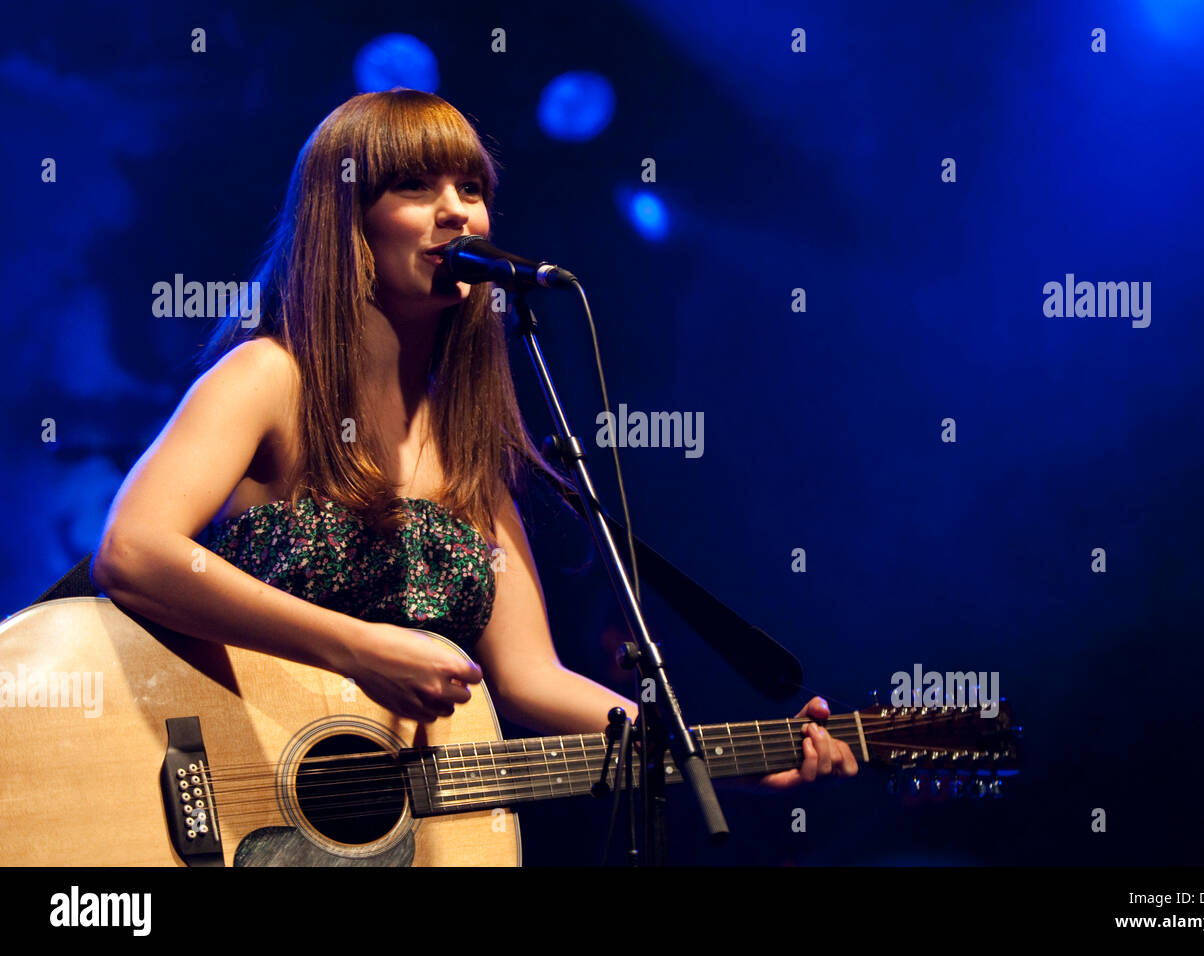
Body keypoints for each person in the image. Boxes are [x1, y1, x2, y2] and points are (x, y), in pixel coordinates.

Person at [91, 88, 856, 792]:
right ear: (347, 220)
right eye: (416, 188)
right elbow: (135, 551)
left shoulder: (469, 447)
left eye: (472, 189)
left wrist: (714, 759)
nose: (458, 212)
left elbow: (530, 678)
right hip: (220, 782)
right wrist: (357, 646)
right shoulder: (269, 376)